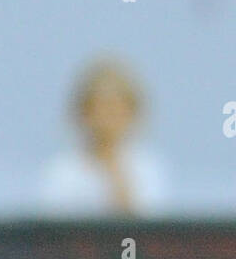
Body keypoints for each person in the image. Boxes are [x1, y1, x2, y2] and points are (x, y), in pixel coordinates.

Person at [40, 56, 168, 216]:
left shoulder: (148, 167)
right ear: (83, 113)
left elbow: (147, 227)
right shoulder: (63, 171)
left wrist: (116, 175)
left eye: (116, 109)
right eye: (100, 109)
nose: (107, 119)